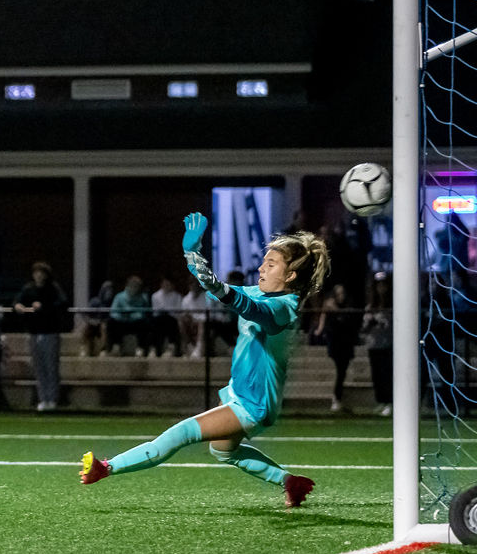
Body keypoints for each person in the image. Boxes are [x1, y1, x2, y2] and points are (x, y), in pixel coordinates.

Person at [80, 214, 329, 508]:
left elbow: (249, 308)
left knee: (181, 433)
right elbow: (218, 289)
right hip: (248, 398)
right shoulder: (260, 292)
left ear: (290, 276)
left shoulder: (284, 308)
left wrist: (218, 285)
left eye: (271, 264)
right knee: (224, 451)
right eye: (264, 261)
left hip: (253, 403)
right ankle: (291, 483)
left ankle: (105, 468)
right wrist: (192, 253)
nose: (261, 267)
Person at [13, 261, 70, 410]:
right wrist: (18, 306)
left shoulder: (53, 288)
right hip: (34, 332)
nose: (38, 275)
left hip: (49, 332)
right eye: (36, 272)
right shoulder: (29, 289)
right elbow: (18, 301)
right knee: (39, 368)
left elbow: (62, 302)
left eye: (41, 273)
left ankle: (52, 398)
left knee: (51, 367)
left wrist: (44, 306)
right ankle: (42, 398)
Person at [315, 283, 359, 412]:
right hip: (335, 343)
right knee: (339, 371)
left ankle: (337, 398)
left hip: (346, 343)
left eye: (343, 293)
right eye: (338, 293)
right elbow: (324, 317)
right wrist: (319, 329)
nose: (341, 296)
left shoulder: (348, 306)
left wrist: (336, 310)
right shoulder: (329, 306)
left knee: (342, 371)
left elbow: (348, 321)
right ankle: (336, 398)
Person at [364, 272, 393, 418]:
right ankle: (381, 401)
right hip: (374, 344)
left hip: (387, 344)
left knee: (387, 374)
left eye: (383, 285)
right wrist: (370, 322)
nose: (381, 288)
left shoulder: (392, 305)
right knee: (377, 375)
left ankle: (390, 402)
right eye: (378, 285)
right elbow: (364, 325)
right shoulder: (371, 305)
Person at [106, 275, 152, 356]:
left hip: (134, 323)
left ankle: (140, 348)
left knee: (145, 323)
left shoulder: (142, 298)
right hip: (121, 322)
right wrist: (123, 316)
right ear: (127, 285)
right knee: (111, 322)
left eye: (136, 286)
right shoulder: (119, 297)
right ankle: (115, 346)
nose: (134, 288)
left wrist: (132, 315)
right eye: (132, 285)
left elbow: (142, 313)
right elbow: (113, 312)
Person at [148, 276, 184, 357]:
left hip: (172, 320)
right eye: (165, 284)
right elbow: (155, 311)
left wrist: (168, 311)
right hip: (159, 320)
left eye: (169, 284)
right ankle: (154, 349)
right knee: (156, 323)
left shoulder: (177, 296)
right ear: (161, 284)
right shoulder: (155, 296)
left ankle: (171, 348)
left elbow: (178, 311)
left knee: (170, 321)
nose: (167, 286)